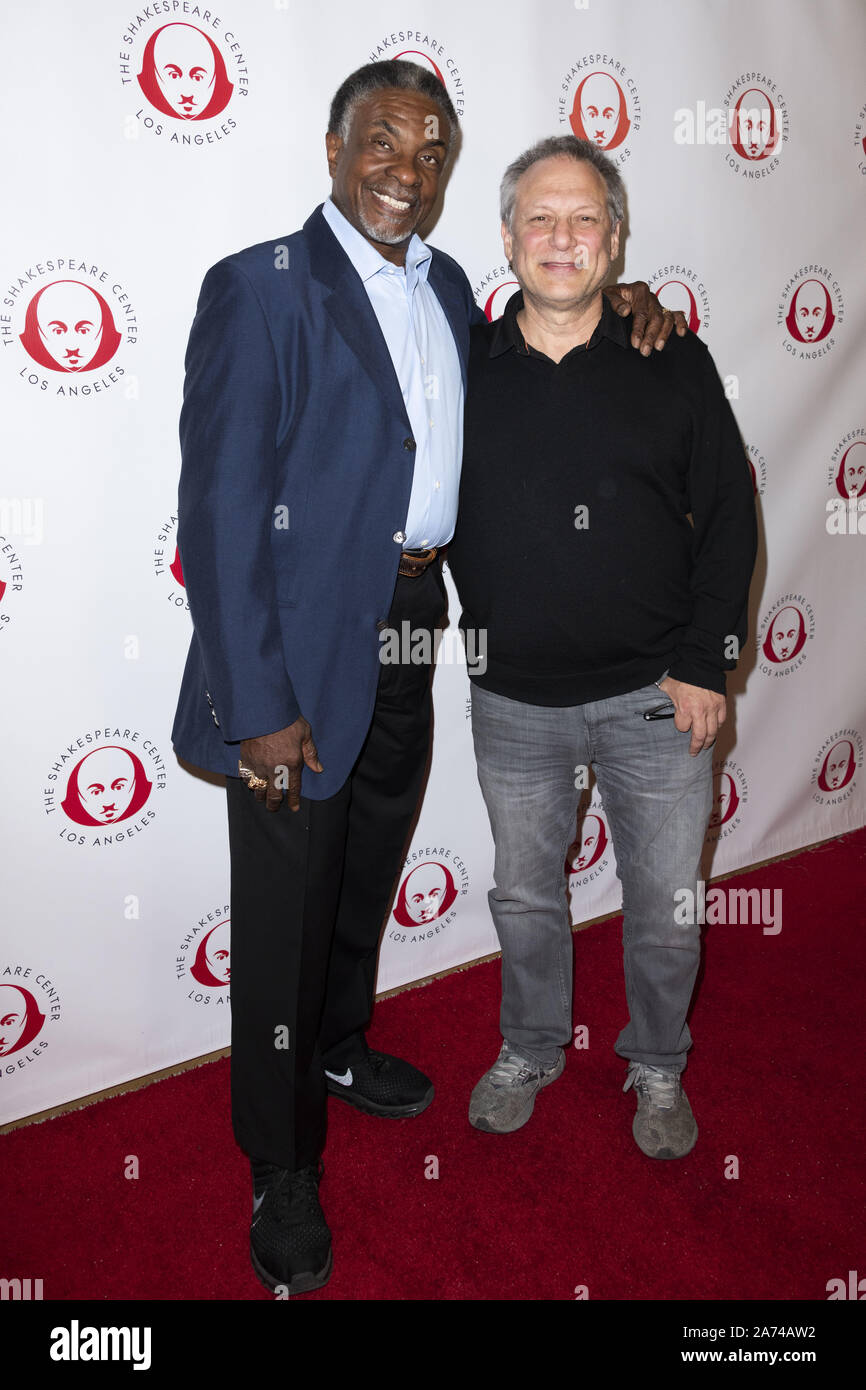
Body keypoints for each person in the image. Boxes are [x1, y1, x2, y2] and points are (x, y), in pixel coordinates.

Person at [171, 64, 681, 1295]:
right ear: (334, 146)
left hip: (414, 612)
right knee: (286, 906)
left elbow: (537, 358)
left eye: (431, 149)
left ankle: (338, 1042)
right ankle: (279, 1161)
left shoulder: (453, 285)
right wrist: (259, 703)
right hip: (295, 647)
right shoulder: (259, 288)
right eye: (382, 142)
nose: (407, 168)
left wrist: (633, 308)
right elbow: (222, 509)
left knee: (370, 851)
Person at [447, 134, 757, 1161]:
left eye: (584, 219)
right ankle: (529, 1046)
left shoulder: (670, 358)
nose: (561, 237)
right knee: (525, 896)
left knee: (666, 912)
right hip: (512, 701)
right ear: (505, 236)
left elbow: (724, 515)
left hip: (654, 698)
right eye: (540, 217)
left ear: (615, 239)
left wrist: (706, 661)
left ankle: (656, 1060)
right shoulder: (460, 367)